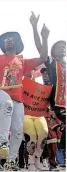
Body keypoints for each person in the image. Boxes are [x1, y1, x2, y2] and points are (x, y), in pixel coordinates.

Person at [0, 22, 49, 170]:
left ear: (17, 43)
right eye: (6, 39)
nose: (8, 40)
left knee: (18, 132)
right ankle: (3, 142)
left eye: (12, 39)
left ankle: (11, 161)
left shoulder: (22, 61)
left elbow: (43, 57)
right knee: (7, 104)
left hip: (18, 99)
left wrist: (43, 35)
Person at [30, 11, 66, 167]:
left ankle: (60, 152)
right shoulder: (52, 63)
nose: (63, 48)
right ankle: (55, 157)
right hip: (53, 103)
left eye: (64, 46)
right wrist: (36, 28)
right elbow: (40, 48)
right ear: (53, 51)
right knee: (50, 134)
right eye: (59, 47)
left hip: (66, 103)